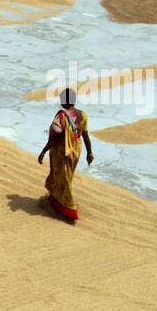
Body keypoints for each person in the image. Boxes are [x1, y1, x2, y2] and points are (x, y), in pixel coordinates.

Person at [38, 89, 94, 221]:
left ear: (64, 102)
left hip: (61, 151)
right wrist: (89, 152)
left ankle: (69, 208)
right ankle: (57, 201)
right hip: (75, 150)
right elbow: (85, 135)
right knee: (66, 177)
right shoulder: (83, 115)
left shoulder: (61, 117)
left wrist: (43, 152)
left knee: (61, 177)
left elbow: (54, 138)